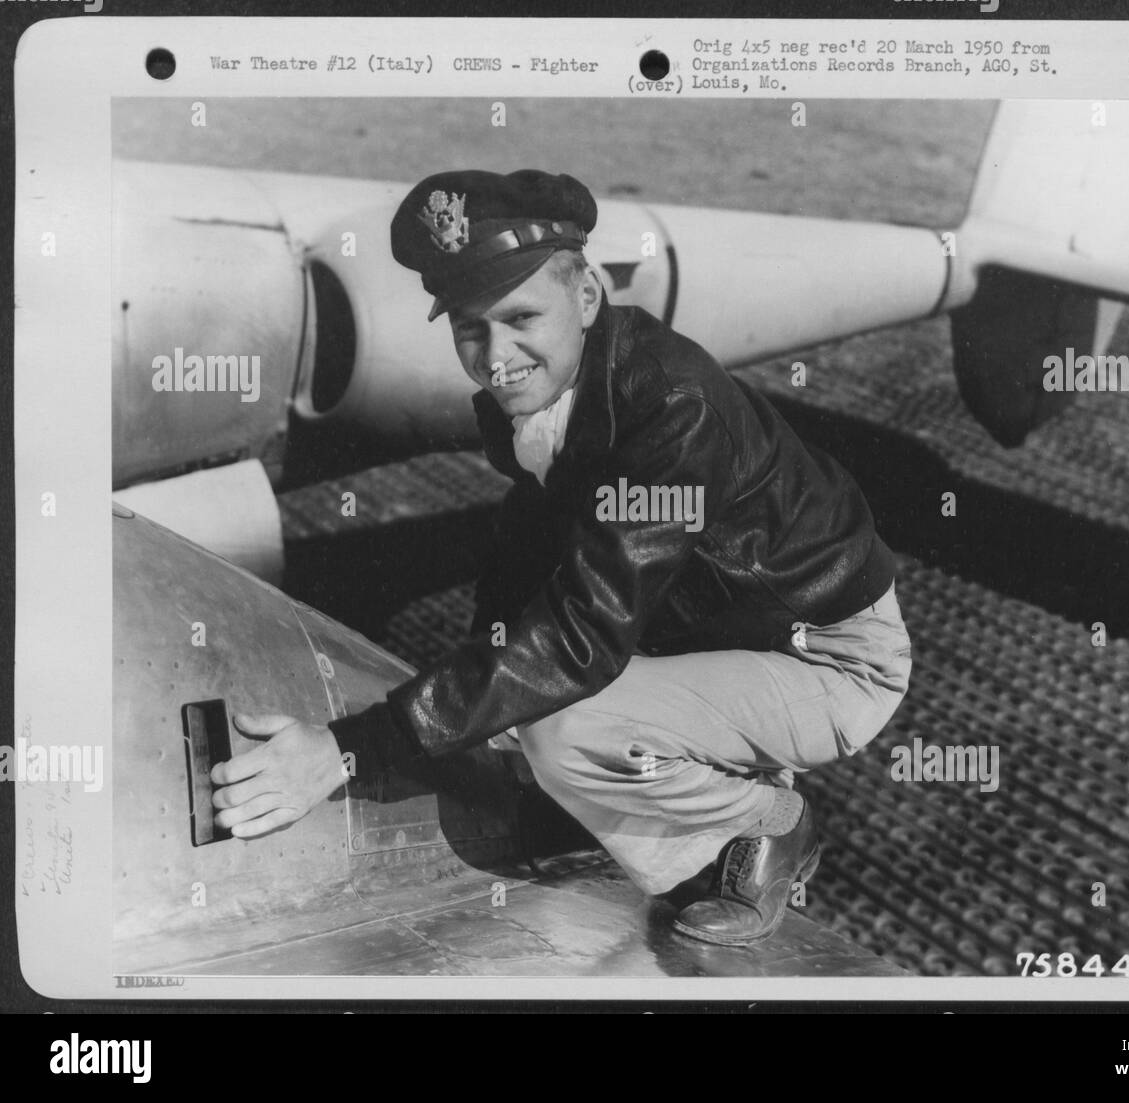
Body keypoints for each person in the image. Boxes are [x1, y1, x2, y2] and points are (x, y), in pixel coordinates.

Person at [212, 168, 912, 945]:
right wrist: (467, 715)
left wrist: (348, 751)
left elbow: (584, 637)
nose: (495, 355)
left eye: (520, 317)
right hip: (716, 628)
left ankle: (768, 823)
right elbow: (526, 560)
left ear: (586, 297)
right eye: (469, 328)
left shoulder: (674, 412)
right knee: (530, 713)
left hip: (826, 658)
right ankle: (645, 786)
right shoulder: (557, 391)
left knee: (565, 731)